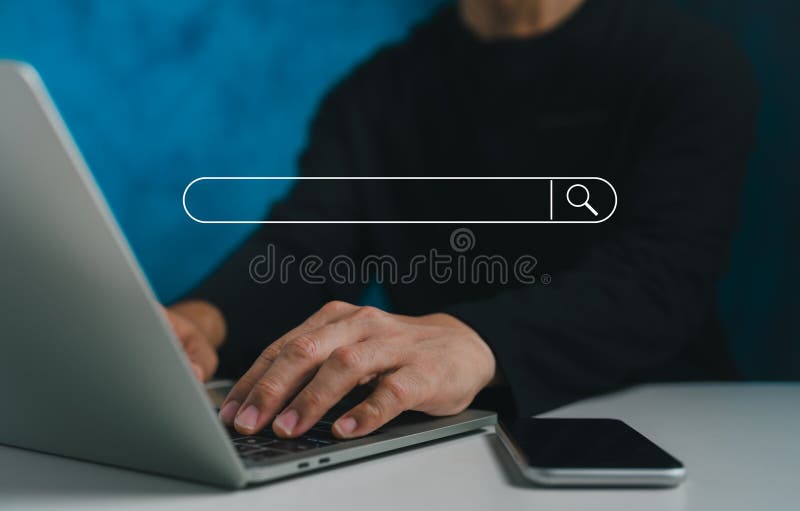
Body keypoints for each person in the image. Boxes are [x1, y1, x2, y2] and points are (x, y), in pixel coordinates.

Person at [165, 0, 758, 440]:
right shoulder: (376, 93)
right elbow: (311, 244)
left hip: (667, 420)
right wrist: (199, 323)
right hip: (442, 433)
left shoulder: (687, 63)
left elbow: (662, 275)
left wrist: (479, 339)